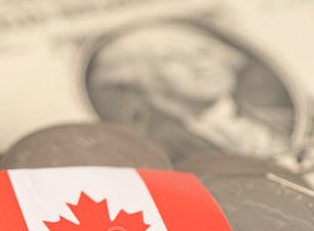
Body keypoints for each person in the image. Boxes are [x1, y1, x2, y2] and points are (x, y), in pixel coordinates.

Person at [89, 22, 293, 160]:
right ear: (141, 78)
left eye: (204, 53)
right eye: (175, 59)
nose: (201, 66)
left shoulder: (285, 121)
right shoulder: (150, 147)